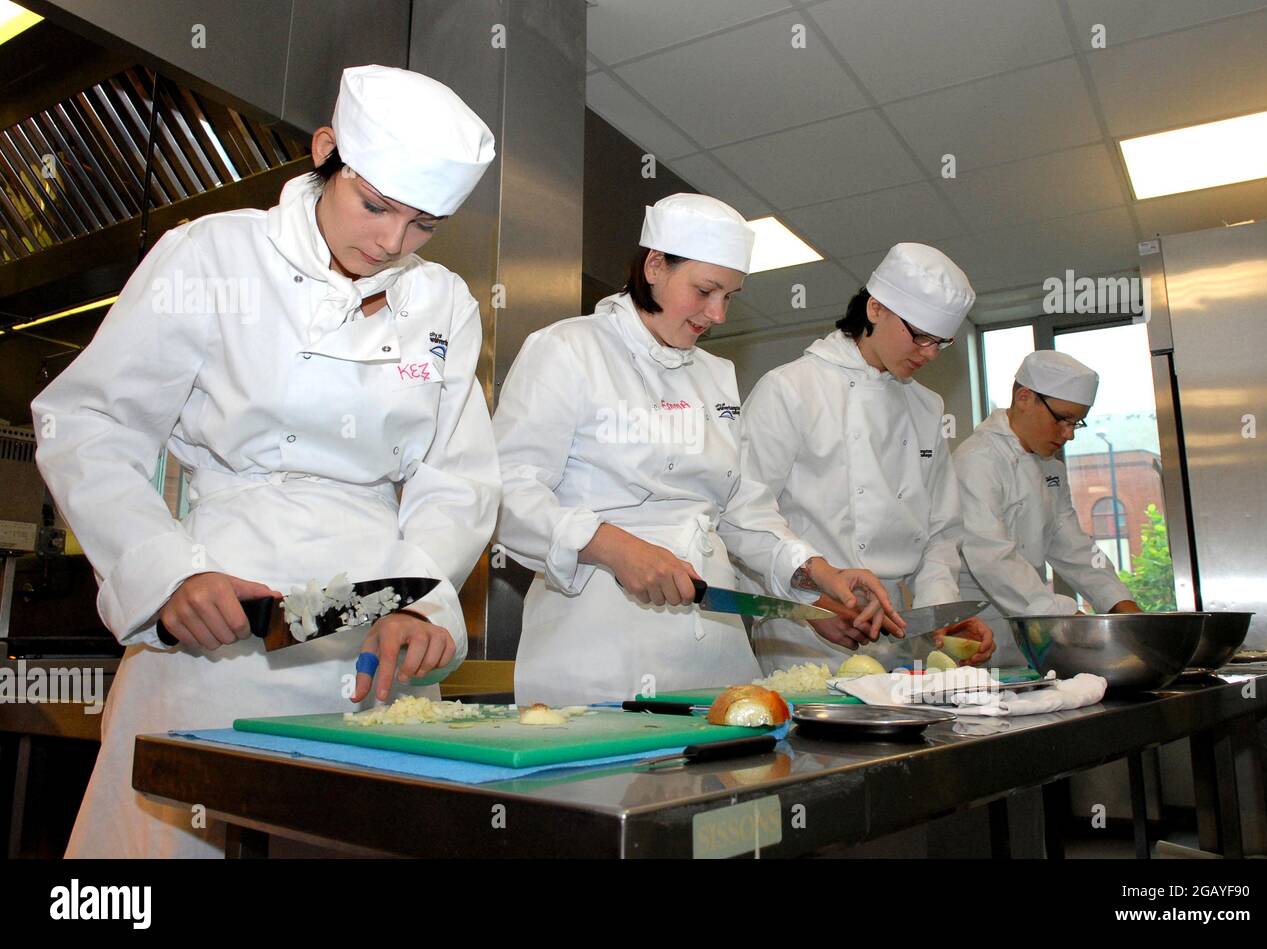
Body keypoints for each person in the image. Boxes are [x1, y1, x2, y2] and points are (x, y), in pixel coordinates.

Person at [31, 65, 500, 857]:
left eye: (423, 224)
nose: (390, 243)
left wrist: (422, 602)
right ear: (325, 152)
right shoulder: (213, 255)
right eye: (376, 205)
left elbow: (453, 474)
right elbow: (90, 421)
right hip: (222, 625)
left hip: (372, 647)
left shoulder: (444, 302)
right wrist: (166, 570)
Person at [493, 193, 902, 705]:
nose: (718, 314)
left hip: (715, 645)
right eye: (706, 290)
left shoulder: (715, 374)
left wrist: (817, 569)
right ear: (655, 265)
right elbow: (507, 491)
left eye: (729, 296)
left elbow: (738, 507)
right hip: (597, 643)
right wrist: (613, 546)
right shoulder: (567, 349)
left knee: (732, 777)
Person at [739, 243, 995, 673]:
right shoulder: (791, 388)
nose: (929, 353)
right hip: (804, 628)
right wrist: (814, 604)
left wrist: (941, 616)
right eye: (920, 336)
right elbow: (746, 514)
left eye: (941, 343)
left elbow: (940, 532)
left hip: (895, 627)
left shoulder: (927, 406)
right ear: (875, 309)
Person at [954, 350, 1141, 659]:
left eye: (1076, 423)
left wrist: (1122, 607)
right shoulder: (977, 460)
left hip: (1033, 631)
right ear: (1025, 397)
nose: (1068, 434)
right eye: (1062, 419)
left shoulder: (1050, 468)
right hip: (978, 636)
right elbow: (992, 558)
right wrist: (1066, 619)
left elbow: (1074, 547)